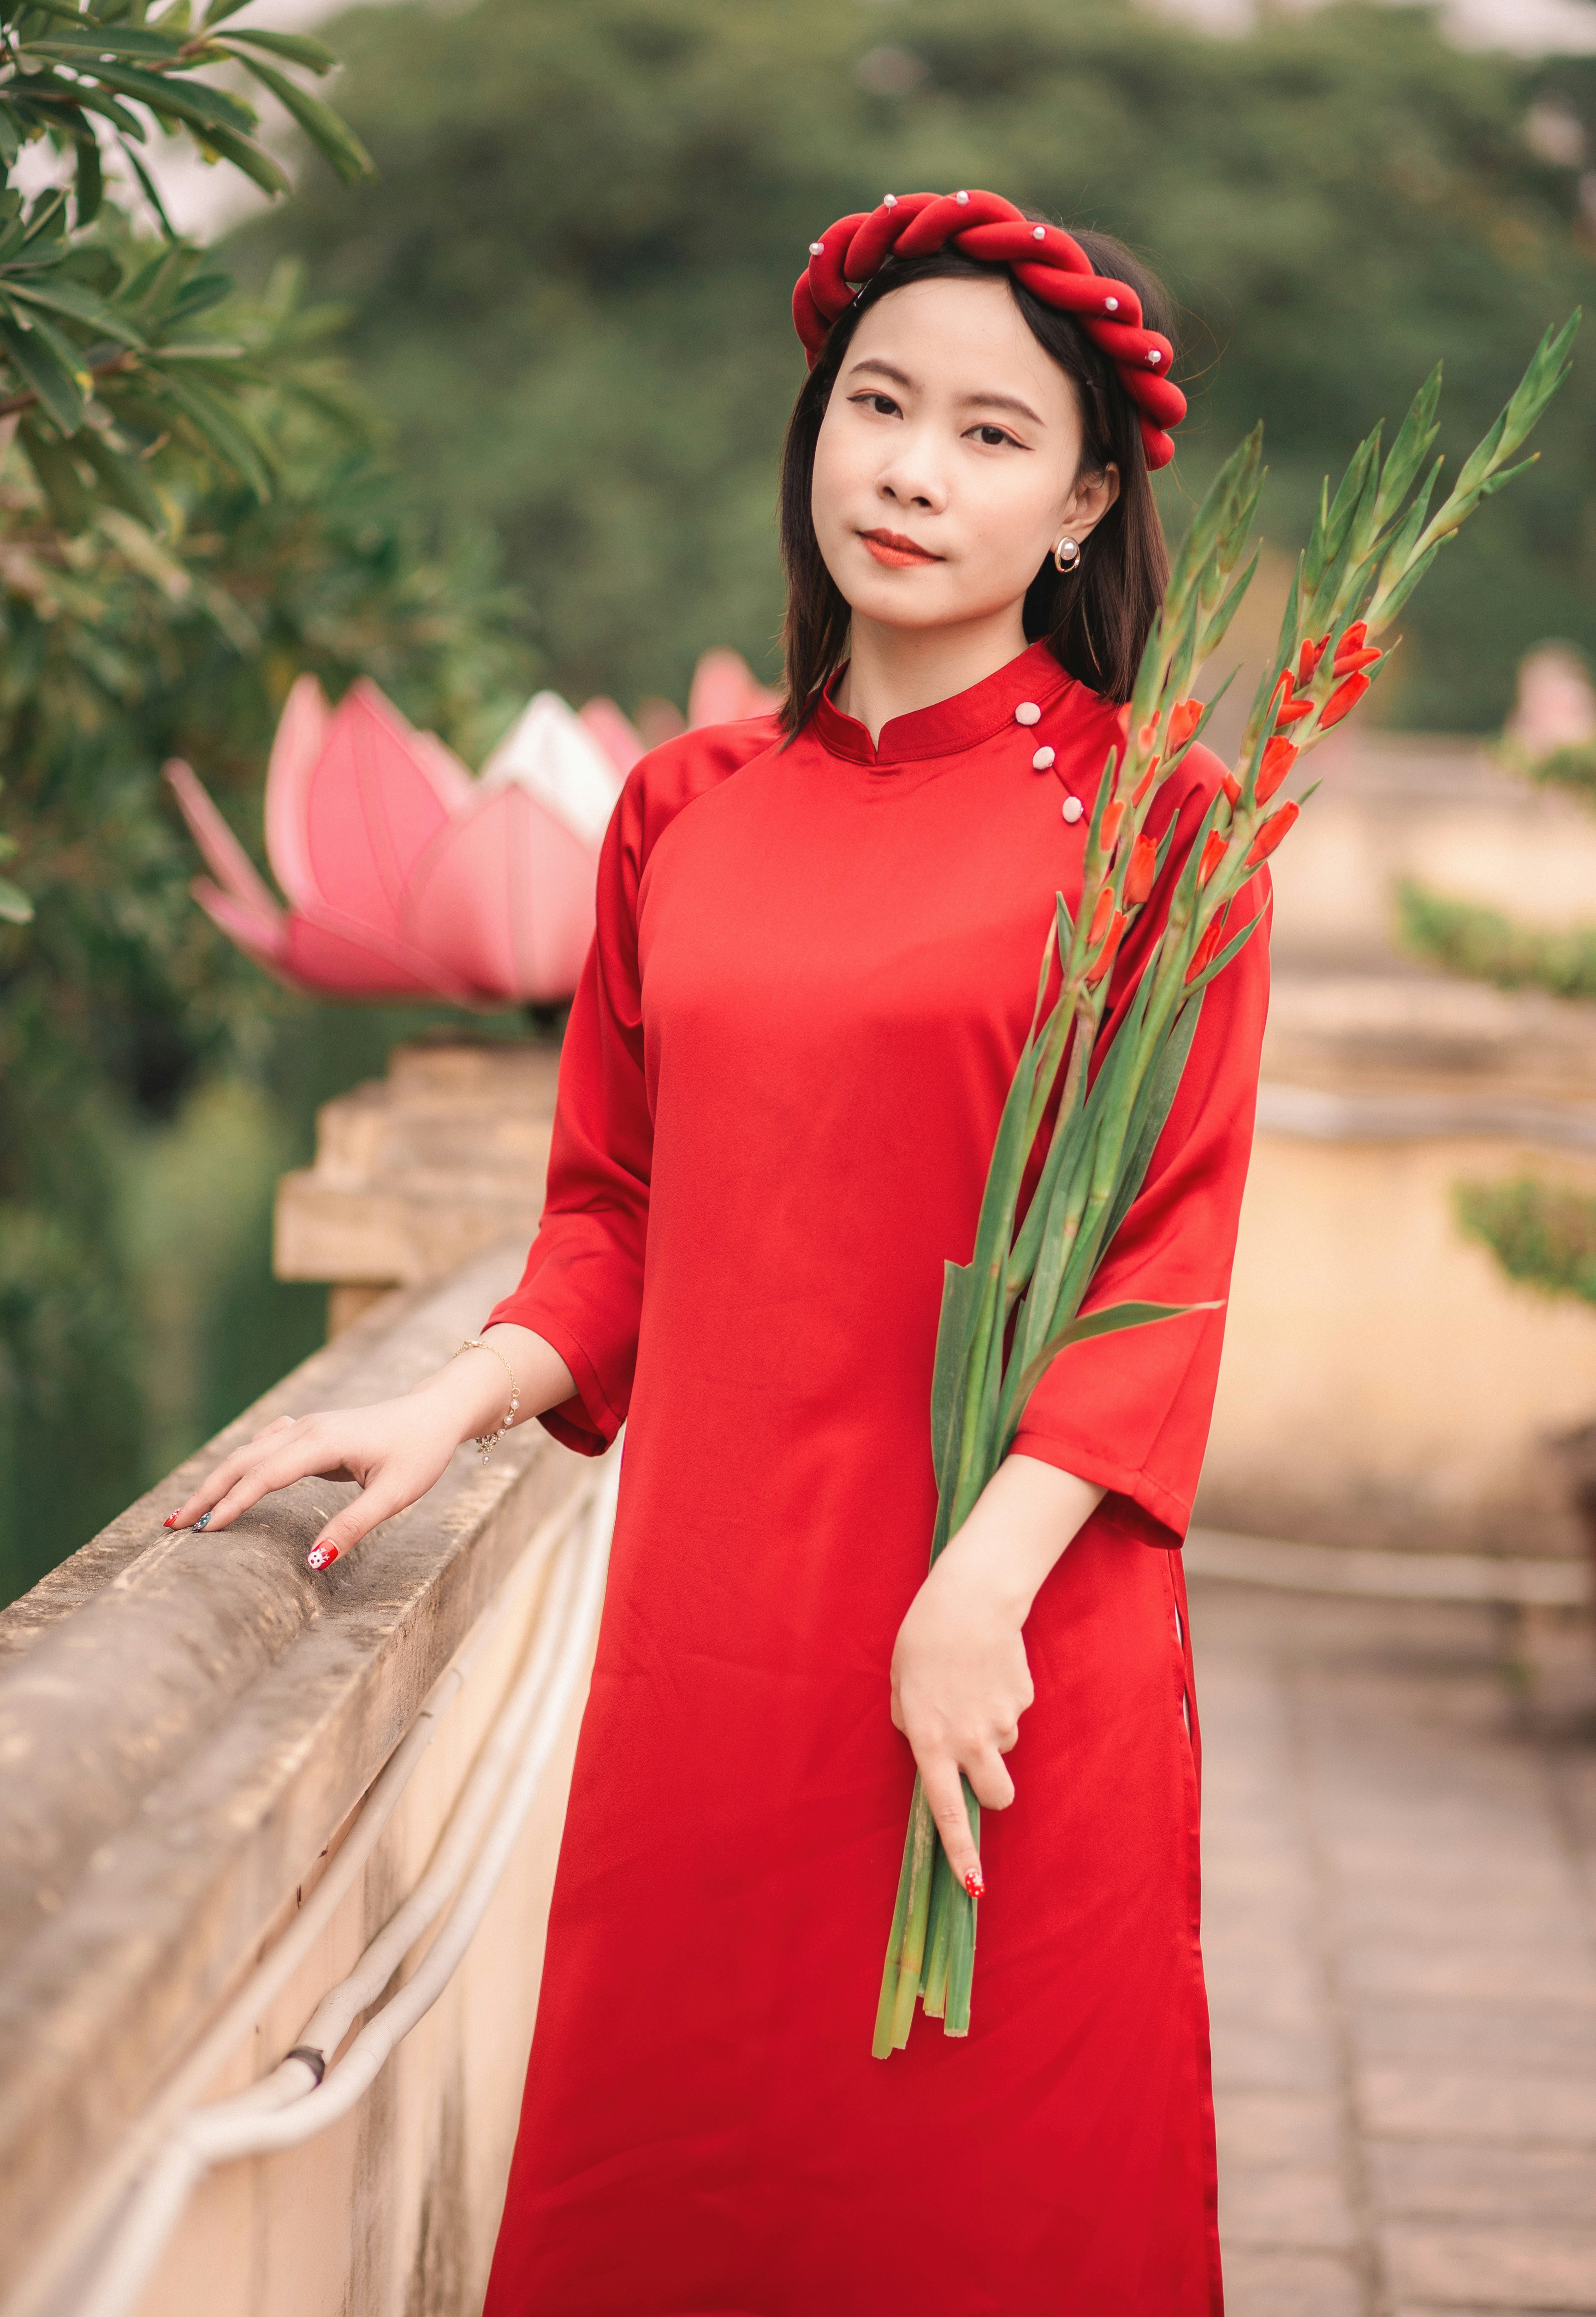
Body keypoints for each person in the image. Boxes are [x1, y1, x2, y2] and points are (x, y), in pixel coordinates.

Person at [174, 190, 1269, 2315]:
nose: (909, 469)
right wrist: (448, 1400)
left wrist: (977, 1585)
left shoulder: (1163, 826)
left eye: (981, 433)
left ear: (1075, 504)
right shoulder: (683, 808)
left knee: (985, 2215)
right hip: (712, 1656)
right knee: (680, 2204)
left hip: (998, 1639)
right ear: (810, 437)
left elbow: (1167, 1254)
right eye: (875, 407)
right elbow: (615, 1216)